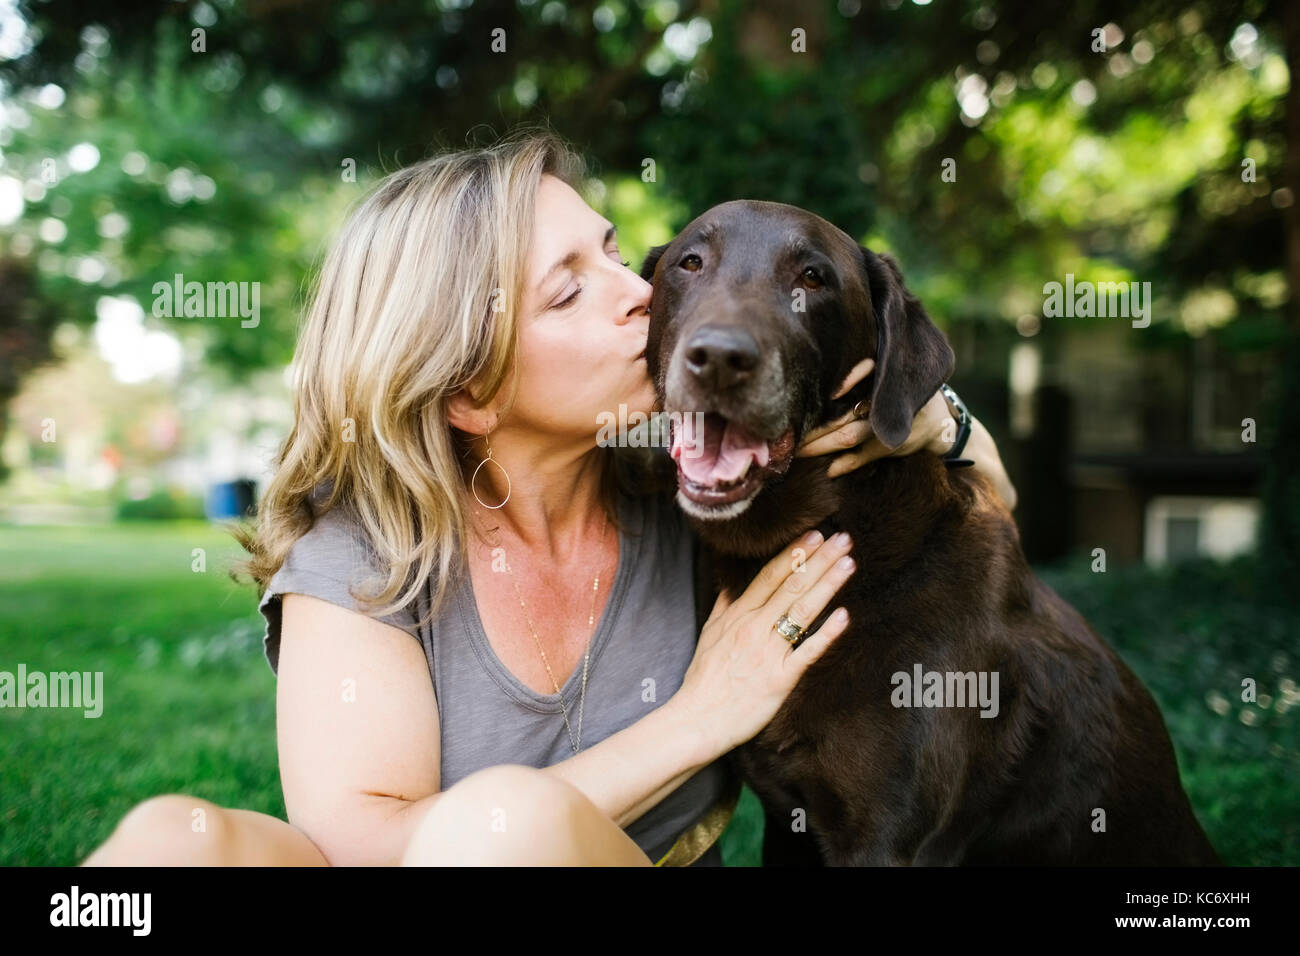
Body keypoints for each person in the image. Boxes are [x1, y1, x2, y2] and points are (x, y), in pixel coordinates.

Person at [81, 127, 1016, 867]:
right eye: (570, 294)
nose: (646, 295)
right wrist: (699, 716)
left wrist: (942, 421)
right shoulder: (369, 554)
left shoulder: (696, 490)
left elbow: (981, 525)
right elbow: (361, 850)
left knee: (506, 826)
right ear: (467, 392)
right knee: (172, 843)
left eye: (616, 256)